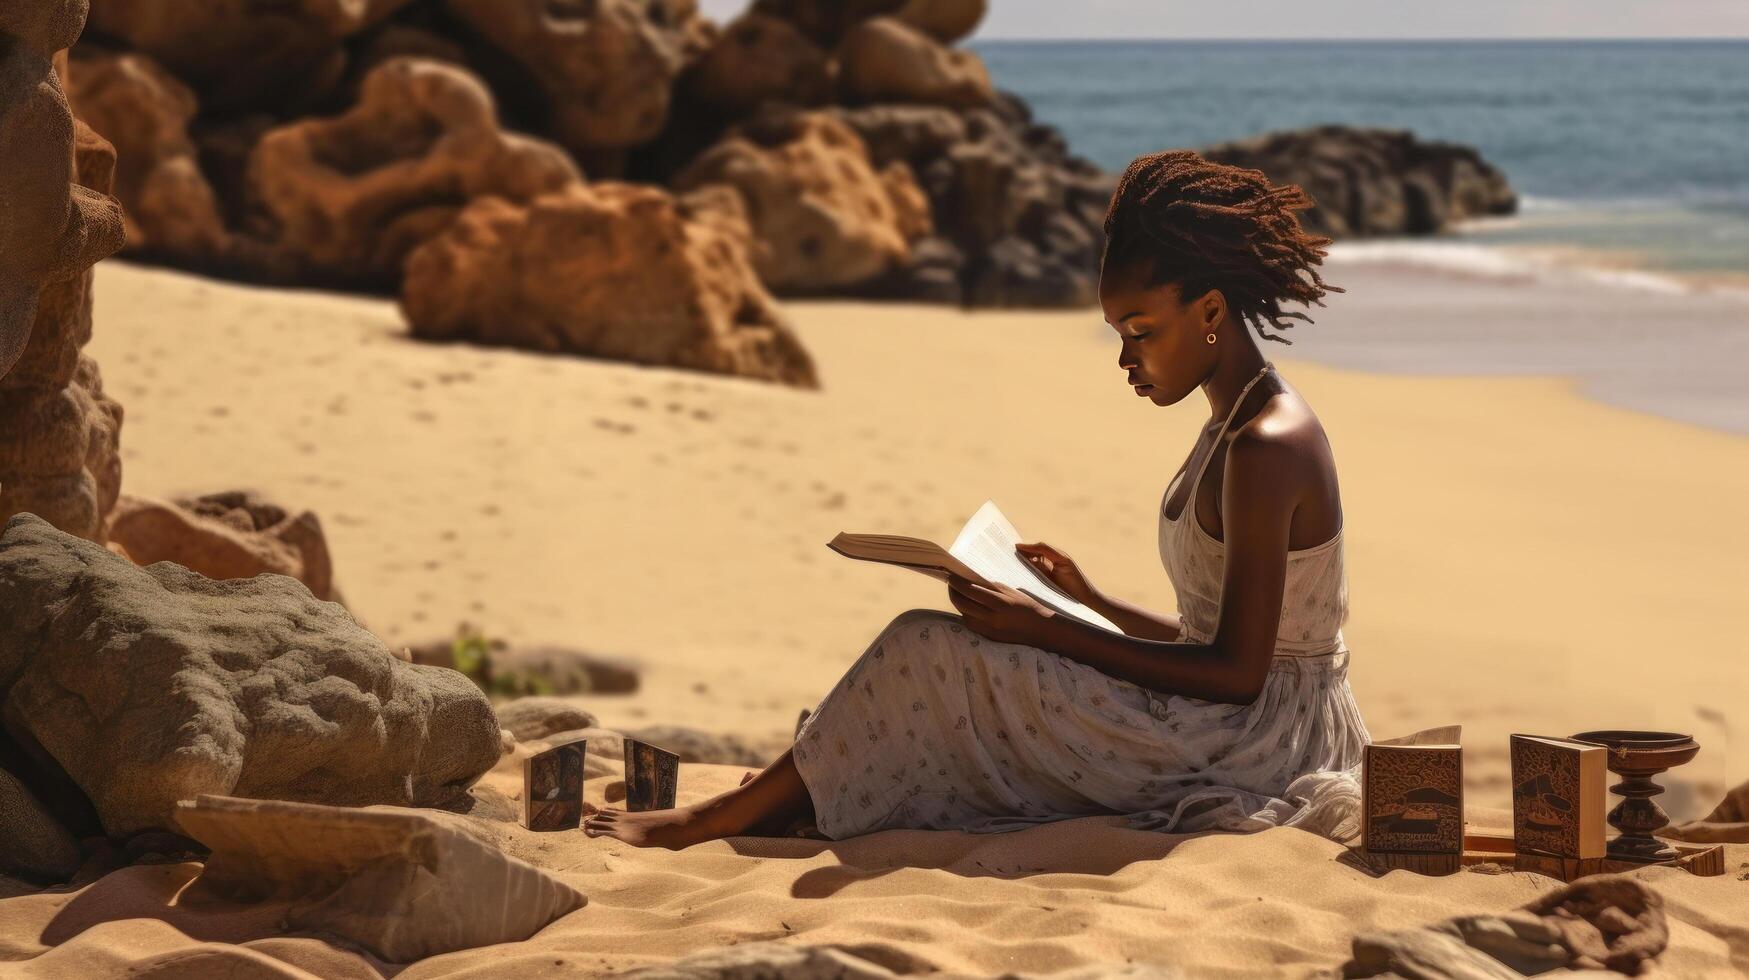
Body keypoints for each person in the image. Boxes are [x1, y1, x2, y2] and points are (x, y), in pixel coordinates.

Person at [584, 150, 1372, 849]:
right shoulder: (1232, 425)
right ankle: (778, 802)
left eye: (1139, 330)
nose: (1125, 358)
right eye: (1116, 334)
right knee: (957, 654)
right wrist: (1084, 602)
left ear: (1207, 313)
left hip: (1261, 740)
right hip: (1226, 713)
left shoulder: (1266, 445)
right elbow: (1219, 638)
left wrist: (1051, 631)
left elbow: (1238, 671)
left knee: (927, 647)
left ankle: (722, 817)